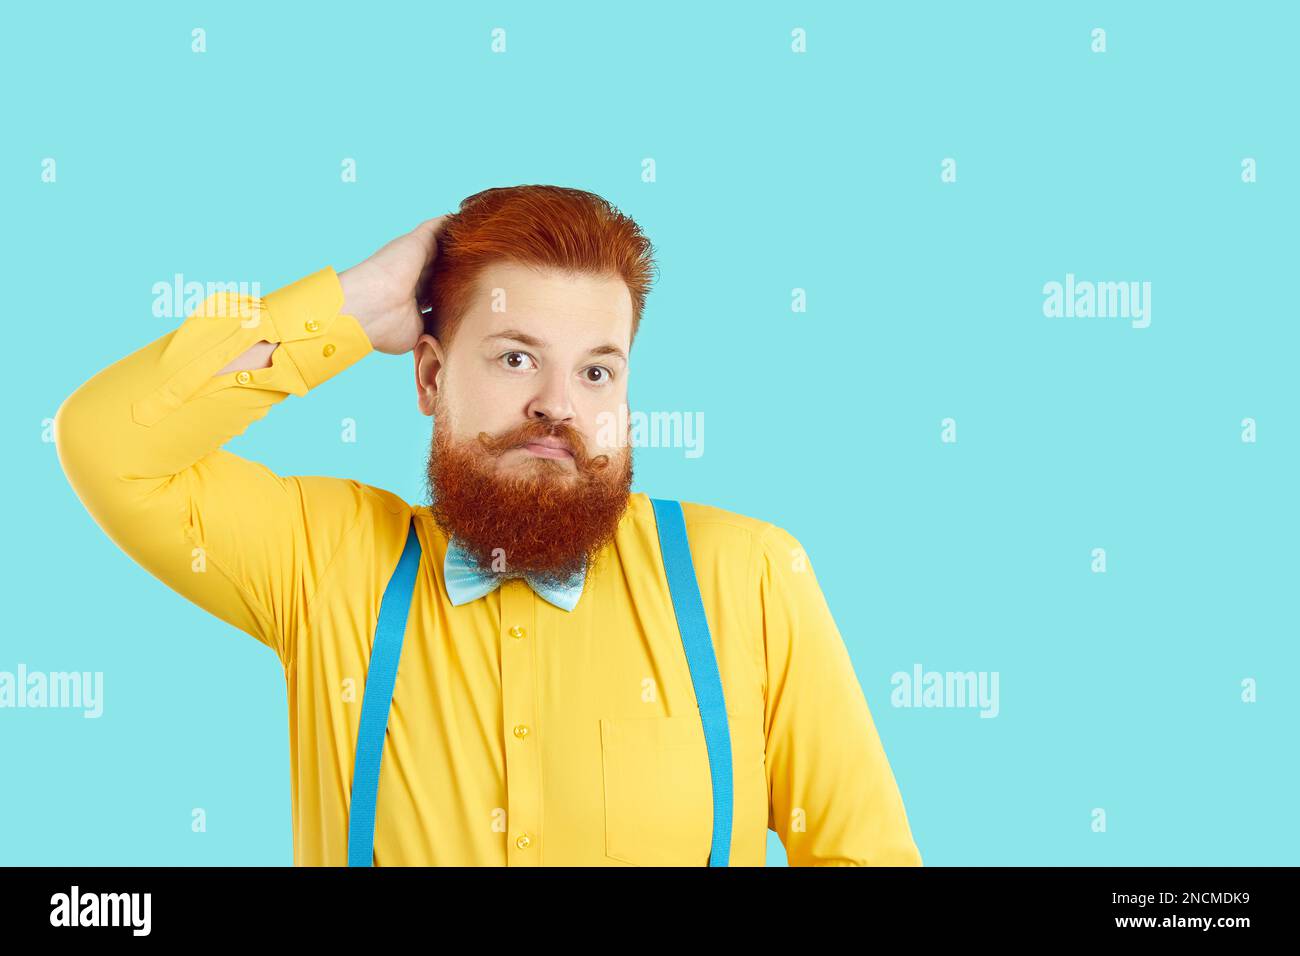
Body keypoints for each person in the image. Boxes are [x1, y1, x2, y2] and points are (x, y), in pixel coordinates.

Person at [54, 184, 922, 867]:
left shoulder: (751, 577)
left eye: (596, 372)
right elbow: (108, 444)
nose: (557, 405)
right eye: (516, 358)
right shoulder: (325, 562)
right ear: (431, 378)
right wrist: (354, 306)